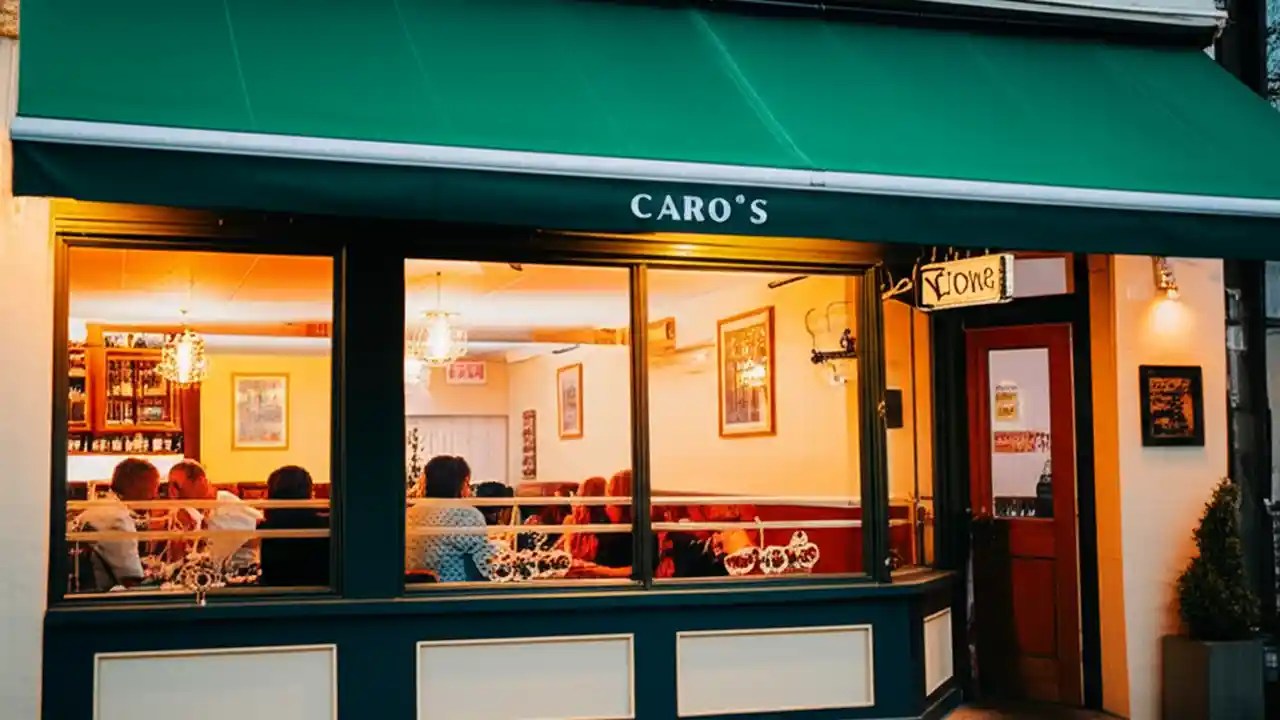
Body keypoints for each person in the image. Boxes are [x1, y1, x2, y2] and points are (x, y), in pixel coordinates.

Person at [74, 458, 160, 591]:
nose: (155, 496)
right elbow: (132, 581)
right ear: (135, 486)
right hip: (104, 602)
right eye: (154, 488)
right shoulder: (117, 519)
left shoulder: (103, 507)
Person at [405, 455, 493, 582]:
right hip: (452, 593)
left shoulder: (410, 513)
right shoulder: (467, 515)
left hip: (413, 593)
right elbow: (486, 566)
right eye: (468, 485)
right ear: (462, 484)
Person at [167, 460, 262, 569]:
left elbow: (258, 527)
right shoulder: (193, 512)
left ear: (200, 482)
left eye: (176, 485)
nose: (172, 492)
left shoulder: (226, 505)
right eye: (169, 485)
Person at [258, 466, 329, 587]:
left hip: (277, 598)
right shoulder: (324, 526)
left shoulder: (268, 529)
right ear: (307, 492)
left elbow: (270, 575)